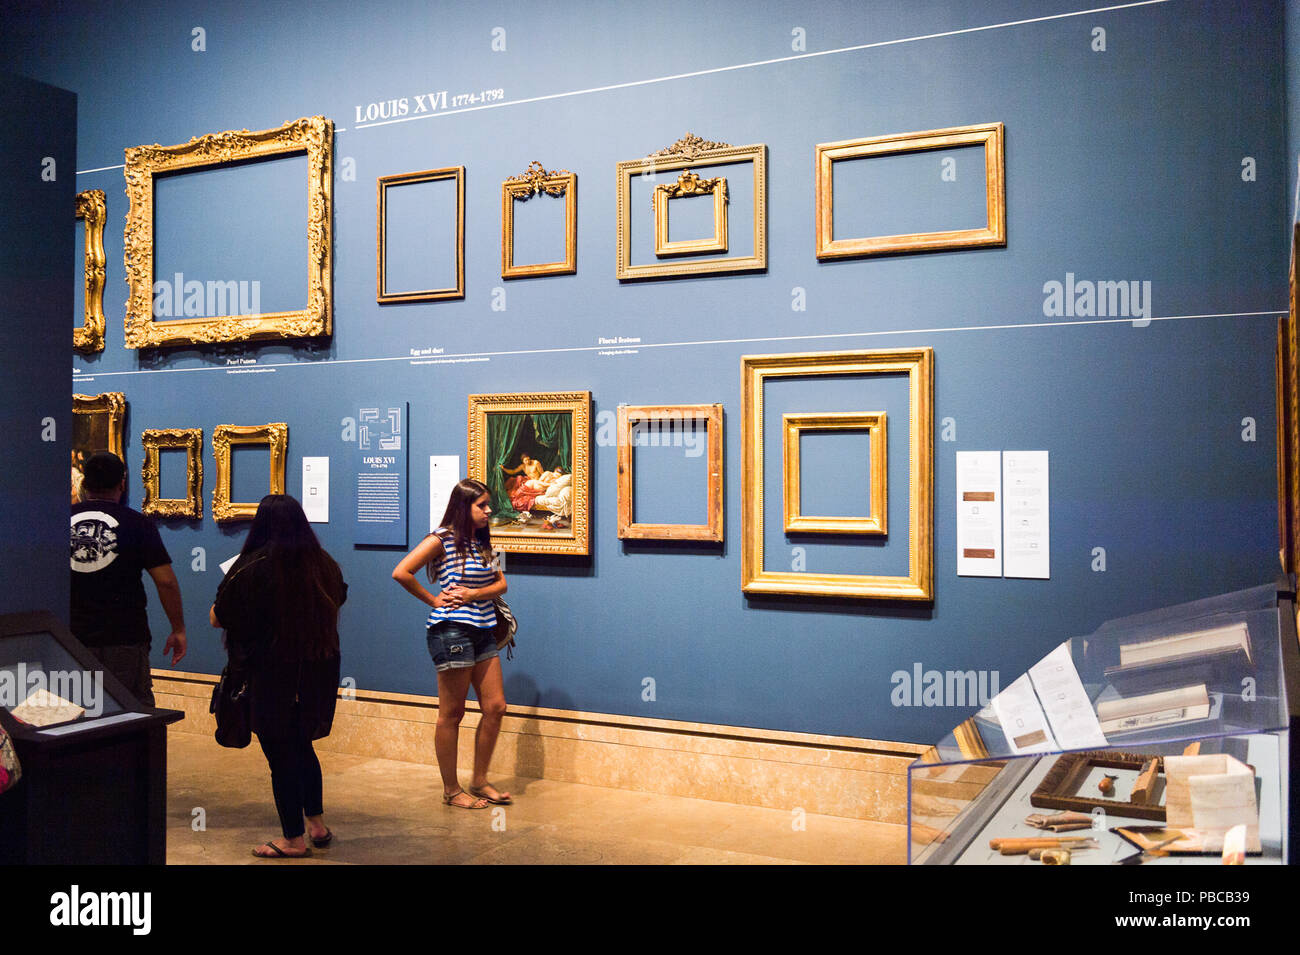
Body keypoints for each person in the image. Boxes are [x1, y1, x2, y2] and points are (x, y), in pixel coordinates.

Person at [211, 494, 347, 859]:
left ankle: (293, 839)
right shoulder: (324, 564)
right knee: (303, 745)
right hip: (318, 670)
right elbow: (340, 598)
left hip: (270, 674)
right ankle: (316, 825)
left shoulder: (250, 566)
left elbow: (217, 616)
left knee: (280, 754)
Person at [392, 478, 511, 810]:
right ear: (463, 507)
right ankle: (451, 789)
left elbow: (502, 584)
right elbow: (401, 571)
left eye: (489, 505)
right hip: (452, 632)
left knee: (496, 706)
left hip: (484, 630)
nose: (488, 511)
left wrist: (474, 594)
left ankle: (480, 779)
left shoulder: (486, 542)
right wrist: (433, 600)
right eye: (482, 505)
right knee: (452, 712)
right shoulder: (441, 538)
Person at [70, 451, 186, 706]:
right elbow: (165, 581)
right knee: (130, 712)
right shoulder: (137, 524)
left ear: (85, 483)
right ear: (122, 483)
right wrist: (178, 628)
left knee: (75, 711)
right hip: (124, 636)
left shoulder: (61, 519)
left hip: (71, 637)